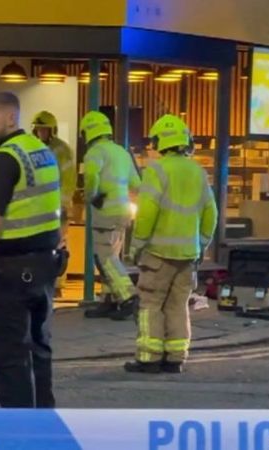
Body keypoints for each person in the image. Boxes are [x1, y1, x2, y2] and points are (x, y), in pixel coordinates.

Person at [0, 92, 64, 408]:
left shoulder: (4, 159)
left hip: (8, 273)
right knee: (39, 349)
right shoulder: (41, 152)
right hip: (43, 267)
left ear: (11, 117)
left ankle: (18, 428)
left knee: (10, 358)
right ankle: (44, 422)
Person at [125, 114, 218, 374]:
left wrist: (136, 247)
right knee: (178, 305)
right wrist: (201, 244)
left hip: (158, 253)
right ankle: (176, 356)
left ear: (159, 142)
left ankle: (149, 357)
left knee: (151, 304)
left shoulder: (156, 171)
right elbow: (211, 214)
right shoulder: (198, 172)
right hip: (188, 255)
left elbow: (146, 214)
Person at [80, 110, 141, 321]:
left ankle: (128, 296)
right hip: (123, 212)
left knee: (105, 259)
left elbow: (90, 177)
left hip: (105, 213)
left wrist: (91, 197)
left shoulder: (94, 153)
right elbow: (137, 184)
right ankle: (109, 299)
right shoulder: (121, 152)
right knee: (112, 256)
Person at [31, 111, 76, 293]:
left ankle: (57, 284)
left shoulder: (62, 150)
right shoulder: (34, 148)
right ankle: (42, 280)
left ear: (52, 130)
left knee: (58, 244)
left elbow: (68, 179)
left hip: (57, 207)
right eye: (38, 129)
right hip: (40, 207)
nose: (41, 132)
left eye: (44, 129)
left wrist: (63, 205)